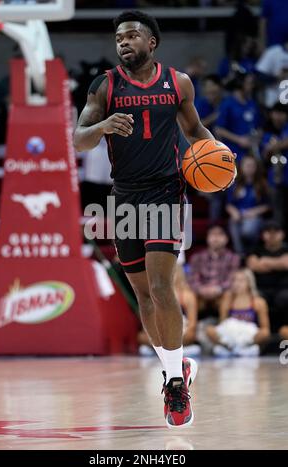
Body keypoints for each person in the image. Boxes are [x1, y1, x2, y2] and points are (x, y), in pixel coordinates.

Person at [74, 11, 230, 428]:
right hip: (124, 197)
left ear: (151, 42)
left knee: (162, 287)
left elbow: (196, 131)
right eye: (118, 38)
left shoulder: (177, 82)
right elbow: (79, 139)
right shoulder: (105, 85)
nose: (123, 43)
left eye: (131, 36)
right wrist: (103, 124)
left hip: (166, 191)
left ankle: (176, 383)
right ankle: (174, 368)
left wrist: (222, 159)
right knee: (143, 295)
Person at [138, 264, 200, 357]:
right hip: (158, 334)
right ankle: (166, 350)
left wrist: (175, 339)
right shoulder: (152, 295)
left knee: (191, 336)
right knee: (141, 337)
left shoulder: (187, 295)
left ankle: (169, 350)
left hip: (181, 333)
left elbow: (192, 325)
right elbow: (146, 326)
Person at [206, 268, 270, 357]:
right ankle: (229, 348)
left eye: (241, 281)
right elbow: (222, 324)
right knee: (209, 330)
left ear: (249, 283)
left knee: (265, 333)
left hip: (249, 336)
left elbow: (265, 328)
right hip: (231, 335)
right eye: (234, 280)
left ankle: (245, 349)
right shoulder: (228, 300)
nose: (237, 284)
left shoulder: (258, 302)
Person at [247, 221, 288, 340]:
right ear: (263, 235)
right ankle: (258, 335)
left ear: (282, 234)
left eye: (276, 232)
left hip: (283, 289)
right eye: (268, 232)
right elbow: (254, 265)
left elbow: (286, 263)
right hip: (260, 288)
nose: (272, 235)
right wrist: (279, 262)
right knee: (256, 298)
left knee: (285, 298)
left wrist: (264, 261)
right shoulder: (255, 249)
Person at [188, 224, 240, 319]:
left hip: (221, 293)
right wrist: (201, 289)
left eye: (220, 234)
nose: (216, 238)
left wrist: (218, 289)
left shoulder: (233, 258)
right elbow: (192, 279)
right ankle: (192, 327)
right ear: (207, 238)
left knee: (229, 293)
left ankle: (222, 327)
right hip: (201, 293)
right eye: (212, 234)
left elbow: (232, 279)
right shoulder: (197, 257)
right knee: (188, 295)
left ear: (226, 238)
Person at [226, 155, 270, 255]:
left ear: (256, 168)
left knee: (248, 230)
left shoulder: (261, 184)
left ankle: (252, 252)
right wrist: (234, 212)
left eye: (252, 165)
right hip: (239, 215)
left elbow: (267, 205)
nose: (249, 168)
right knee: (233, 223)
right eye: (247, 165)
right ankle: (240, 255)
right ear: (241, 167)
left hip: (254, 216)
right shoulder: (234, 183)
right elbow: (228, 204)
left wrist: (253, 212)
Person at [215, 72, 261, 161]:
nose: (252, 86)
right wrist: (239, 140)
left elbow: (258, 126)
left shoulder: (252, 103)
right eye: (249, 83)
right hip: (233, 152)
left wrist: (256, 138)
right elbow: (218, 130)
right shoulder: (227, 104)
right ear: (240, 84)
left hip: (250, 152)